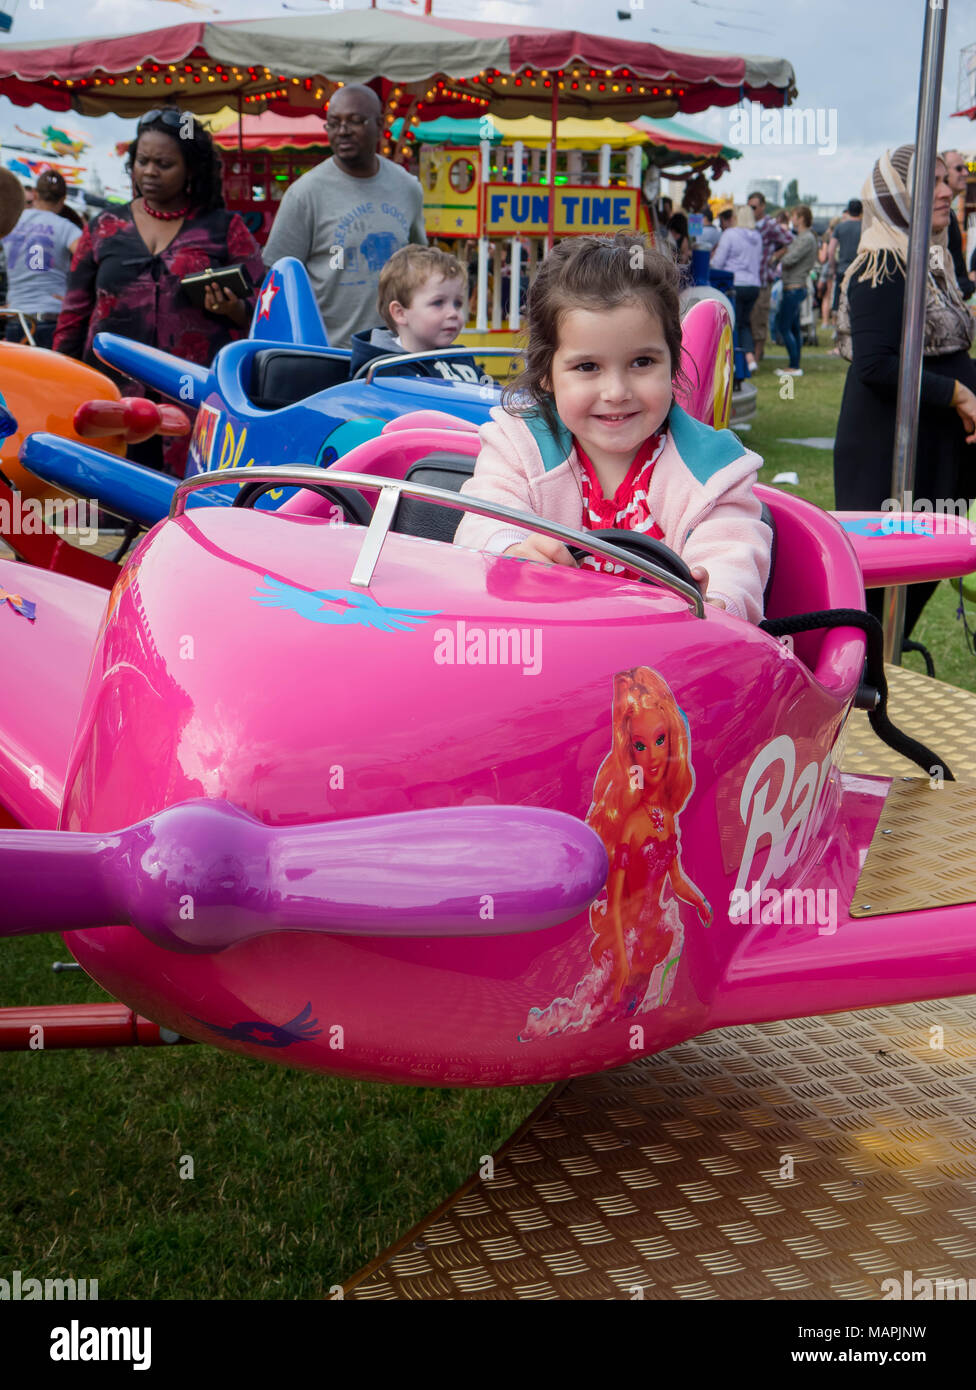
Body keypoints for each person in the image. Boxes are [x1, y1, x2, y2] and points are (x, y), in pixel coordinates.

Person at [453, 233, 772, 625]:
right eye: (588, 367)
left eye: (642, 362)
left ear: (673, 362)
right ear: (547, 374)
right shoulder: (518, 446)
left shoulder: (714, 470)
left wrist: (718, 601)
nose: (617, 392)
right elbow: (484, 519)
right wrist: (511, 552)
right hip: (543, 656)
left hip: (665, 664)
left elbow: (732, 555)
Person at [55, 109, 265, 475]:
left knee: (183, 502)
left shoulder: (224, 229)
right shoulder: (104, 227)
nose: (150, 171)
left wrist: (233, 310)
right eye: (142, 161)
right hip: (109, 396)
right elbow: (74, 313)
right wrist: (59, 380)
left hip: (192, 400)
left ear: (191, 169)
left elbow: (264, 313)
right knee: (106, 501)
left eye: (164, 163)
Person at [520, 665, 710, 1035]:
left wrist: (699, 900)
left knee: (642, 1007)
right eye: (640, 746)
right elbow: (618, 894)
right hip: (629, 939)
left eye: (660, 741)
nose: (653, 757)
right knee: (607, 1012)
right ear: (629, 751)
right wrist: (621, 958)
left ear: (673, 740)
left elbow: (676, 875)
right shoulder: (634, 822)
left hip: (658, 932)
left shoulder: (666, 817)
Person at [834, 146, 976, 639]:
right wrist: (957, 392)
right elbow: (876, 366)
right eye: (930, 182)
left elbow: (947, 347)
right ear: (897, 195)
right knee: (885, 598)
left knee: (916, 580)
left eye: (944, 179)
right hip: (890, 457)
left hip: (928, 452)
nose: (945, 191)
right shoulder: (886, 264)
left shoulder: (928, 257)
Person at [262, 84, 427, 349]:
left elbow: (420, 267)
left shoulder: (407, 188)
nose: (343, 131)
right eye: (334, 123)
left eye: (355, 121)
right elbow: (276, 278)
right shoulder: (305, 194)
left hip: (394, 353)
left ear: (380, 124)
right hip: (327, 354)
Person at [348, 244, 480, 382]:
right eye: (438, 303)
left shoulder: (460, 358)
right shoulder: (386, 370)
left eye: (457, 303)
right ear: (400, 313)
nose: (453, 313)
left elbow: (492, 394)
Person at [1, 171, 81, 349]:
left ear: (35, 194)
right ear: (63, 200)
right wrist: (73, 295)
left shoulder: (13, 219)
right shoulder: (66, 228)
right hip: (52, 317)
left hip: (16, 317)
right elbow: (89, 258)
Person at [710, 203, 762, 373]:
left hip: (735, 284)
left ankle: (736, 363)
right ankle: (750, 358)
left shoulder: (730, 234)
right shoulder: (757, 237)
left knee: (733, 324)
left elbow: (718, 262)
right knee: (744, 323)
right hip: (754, 285)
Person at [747, 190, 792, 363]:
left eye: (754, 206)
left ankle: (757, 358)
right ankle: (753, 356)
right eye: (749, 206)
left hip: (763, 279)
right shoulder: (748, 223)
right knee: (749, 320)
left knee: (759, 319)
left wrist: (775, 257)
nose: (751, 209)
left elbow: (789, 240)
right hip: (750, 279)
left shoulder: (769, 225)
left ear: (763, 207)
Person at [772, 204, 817, 376]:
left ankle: (793, 366)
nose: (792, 219)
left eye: (795, 216)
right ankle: (795, 364)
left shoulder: (806, 238)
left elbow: (789, 259)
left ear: (802, 218)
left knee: (784, 327)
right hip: (795, 286)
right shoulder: (805, 237)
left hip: (794, 287)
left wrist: (780, 255)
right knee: (794, 328)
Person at [940, 151, 972, 301]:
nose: (965, 173)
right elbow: (937, 271)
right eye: (959, 168)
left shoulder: (949, 214)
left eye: (966, 168)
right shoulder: (939, 218)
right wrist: (963, 285)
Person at [828, 199, 863, 319]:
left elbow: (831, 250)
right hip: (860, 270)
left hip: (842, 270)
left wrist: (833, 267)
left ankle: (839, 328)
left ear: (848, 211)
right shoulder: (865, 227)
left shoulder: (839, 227)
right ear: (861, 211)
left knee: (839, 302)